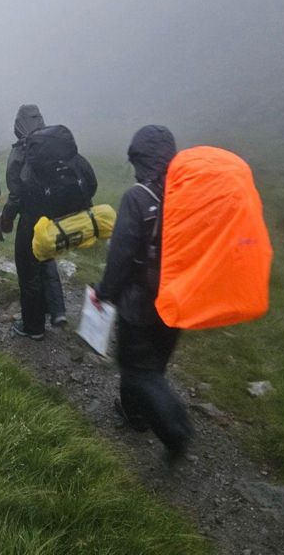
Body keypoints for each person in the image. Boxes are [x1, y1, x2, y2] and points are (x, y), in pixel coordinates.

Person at [88, 124, 191, 459]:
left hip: (140, 303)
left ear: (140, 159)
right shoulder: (186, 195)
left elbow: (121, 255)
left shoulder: (138, 197)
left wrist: (104, 292)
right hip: (176, 301)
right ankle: (134, 415)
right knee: (154, 365)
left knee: (136, 369)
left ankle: (176, 430)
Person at [0, 105, 68, 333]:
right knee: (46, 260)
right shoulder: (54, 146)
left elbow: (16, 193)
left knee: (28, 271)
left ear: (18, 125)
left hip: (30, 219)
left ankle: (33, 327)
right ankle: (57, 312)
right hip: (54, 216)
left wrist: (7, 218)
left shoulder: (22, 150)